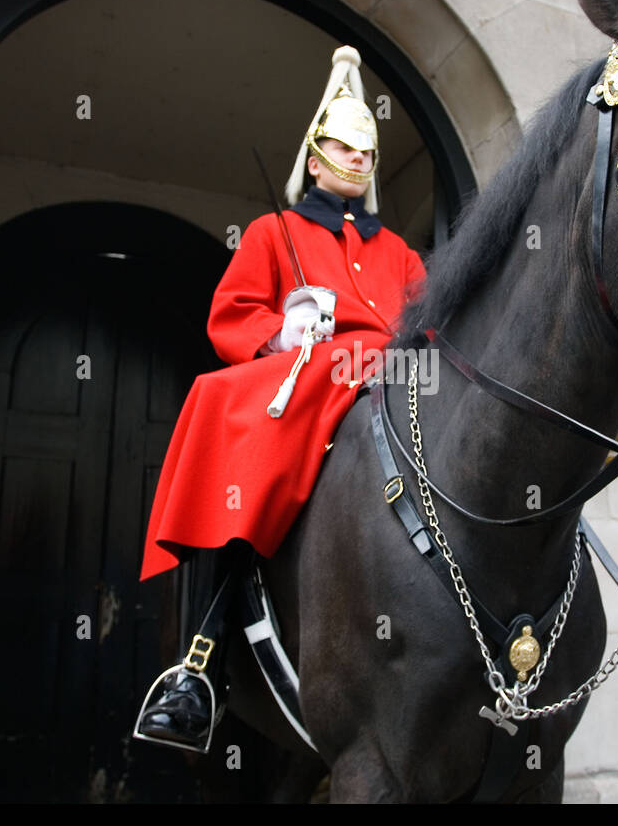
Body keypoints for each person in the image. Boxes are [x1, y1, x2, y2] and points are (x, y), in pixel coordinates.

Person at [134, 46, 427, 751]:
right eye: (339, 147)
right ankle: (200, 661)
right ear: (316, 160)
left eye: (366, 150)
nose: (355, 159)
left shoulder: (403, 255)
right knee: (225, 406)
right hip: (306, 374)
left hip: (388, 377)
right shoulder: (275, 234)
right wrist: (279, 332)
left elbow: (430, 326)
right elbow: (231, 313)